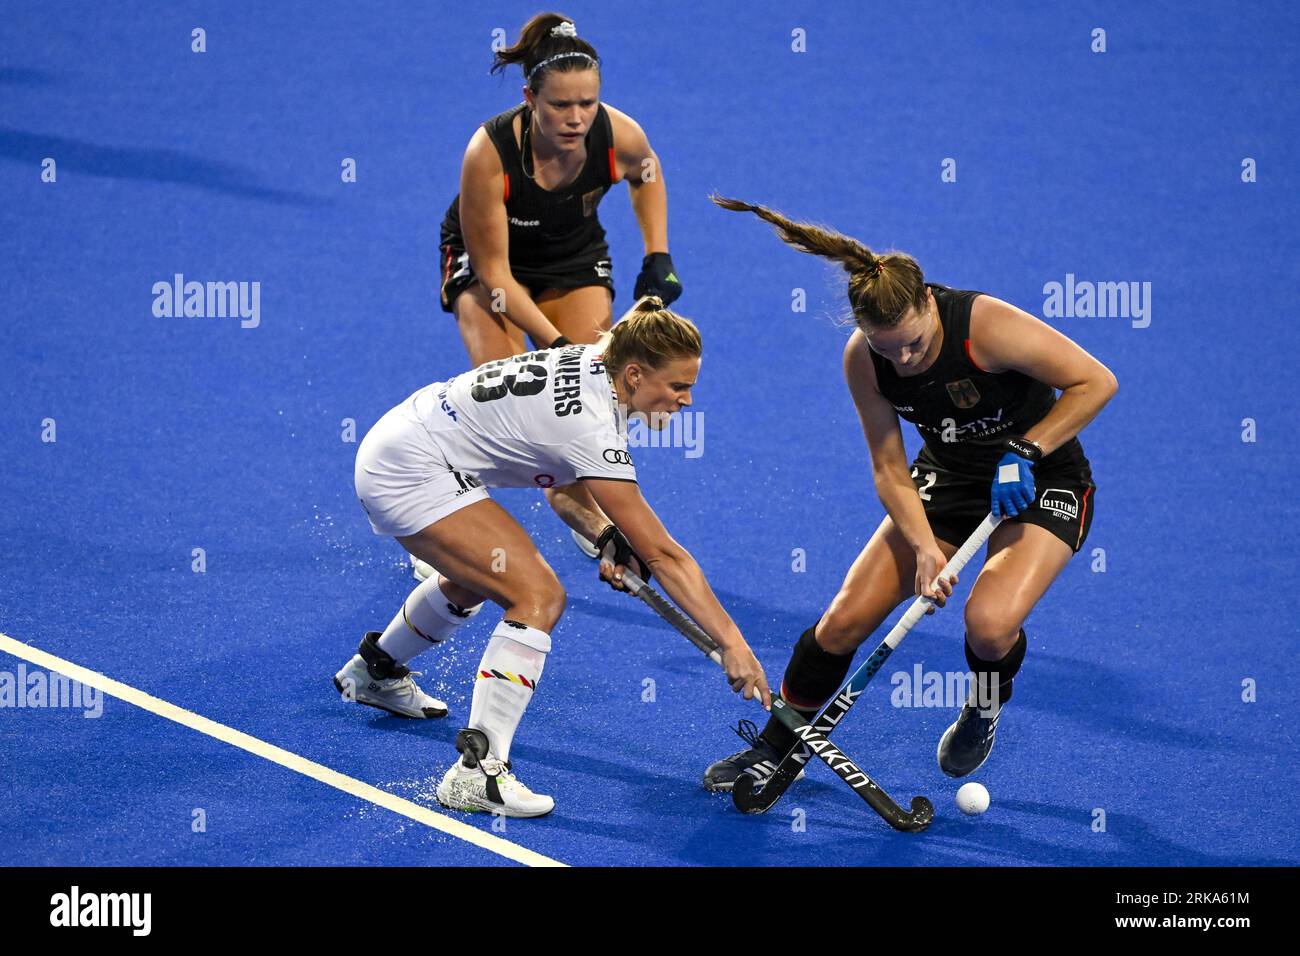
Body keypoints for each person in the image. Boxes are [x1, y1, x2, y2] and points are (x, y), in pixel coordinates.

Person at [701, 196, 1117, 791]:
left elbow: (1095, 381)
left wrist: (1027, 449)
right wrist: (925, 548)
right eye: (886, 347)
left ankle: (983, 706)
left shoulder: (984, 326)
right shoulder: (864, 361)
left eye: (914, 345)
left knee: (990, 624)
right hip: (946, 480)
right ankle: (774, 745)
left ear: (928, 302)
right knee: (843, 620)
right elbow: (889, 466)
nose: (903, 358)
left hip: (1044, 479)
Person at [336, 298, 770, 817]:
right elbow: (664, 555)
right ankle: (477, 774)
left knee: (482, 575)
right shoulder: (591, 423)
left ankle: (375, 672)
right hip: (409, 469)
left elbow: (562, 491)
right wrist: (733, 643)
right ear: (635, 375)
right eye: (678, 387)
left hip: (406, 437)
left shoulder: (602, 367)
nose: (687, 401)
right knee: (536, 594)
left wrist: (607, 535)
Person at [424, 11, 681, 579]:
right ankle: (442, 529)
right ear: (529, 98)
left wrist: (656, 254)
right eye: (560, 105)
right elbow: (496, 279)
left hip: (572, 255)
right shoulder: (488, 153)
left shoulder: (619, 133)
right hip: (488, 265)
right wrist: (559, 348)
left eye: (587, 103)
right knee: (501, 404)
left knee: (583, 399)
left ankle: (582, 511)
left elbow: (646, 173)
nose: (576, 118)